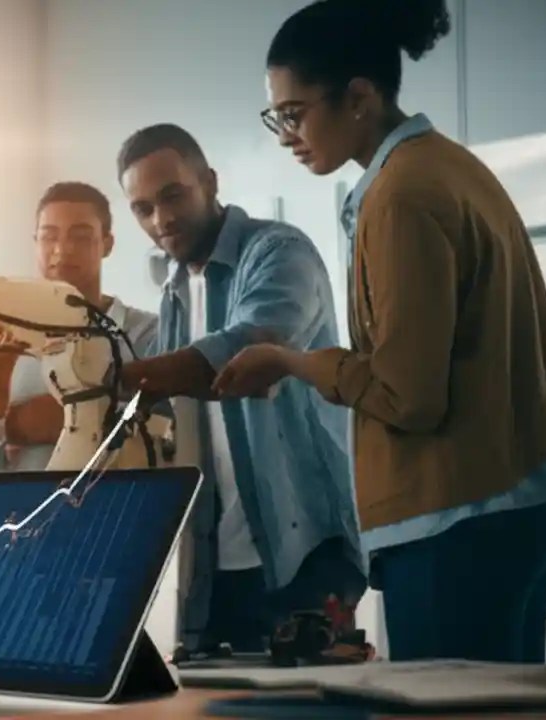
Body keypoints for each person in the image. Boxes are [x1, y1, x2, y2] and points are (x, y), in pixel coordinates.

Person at [213, 0, 546, 663]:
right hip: (524, 507)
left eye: (293, 114)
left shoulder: (402, 195)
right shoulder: (445, 165)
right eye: (276, 118)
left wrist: (294, 362)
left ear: (357, 97)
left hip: (461, 524)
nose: (284, 134)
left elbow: (409, 397)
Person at [116, 124, 366, 655]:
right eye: (142, 209)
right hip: (216, 565)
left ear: (209, 182)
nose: (160, 219)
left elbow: (253, 347)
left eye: (172, 195)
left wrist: (126, 381)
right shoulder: (176, 291)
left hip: (304, 554)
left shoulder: (279, 251)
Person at [0, 182, 159, 472]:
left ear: (107, 243)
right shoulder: (6, 337)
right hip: (25, 512)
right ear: (36, 242)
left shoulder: (145, 335)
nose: (62, 249)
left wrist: (15, 423)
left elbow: (160, 436)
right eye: (48, 236)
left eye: (80, 237)